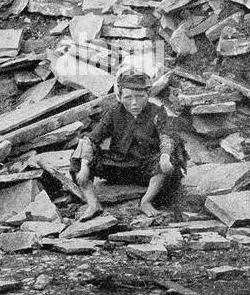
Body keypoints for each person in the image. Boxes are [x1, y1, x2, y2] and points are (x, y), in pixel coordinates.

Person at [75, 71, 184, 221]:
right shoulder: (114, 111)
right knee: (79, 155)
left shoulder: (157, 111)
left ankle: (146, 201)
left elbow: (166, 137)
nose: (134, 103)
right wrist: (84, 166)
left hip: (146, 167)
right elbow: (92, 138)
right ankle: (93, 204)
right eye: (128, 97)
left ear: (148, 94)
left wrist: (165, 157)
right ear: (120, 97)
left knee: (171, 160)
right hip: (118, 166)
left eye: (140, 97)